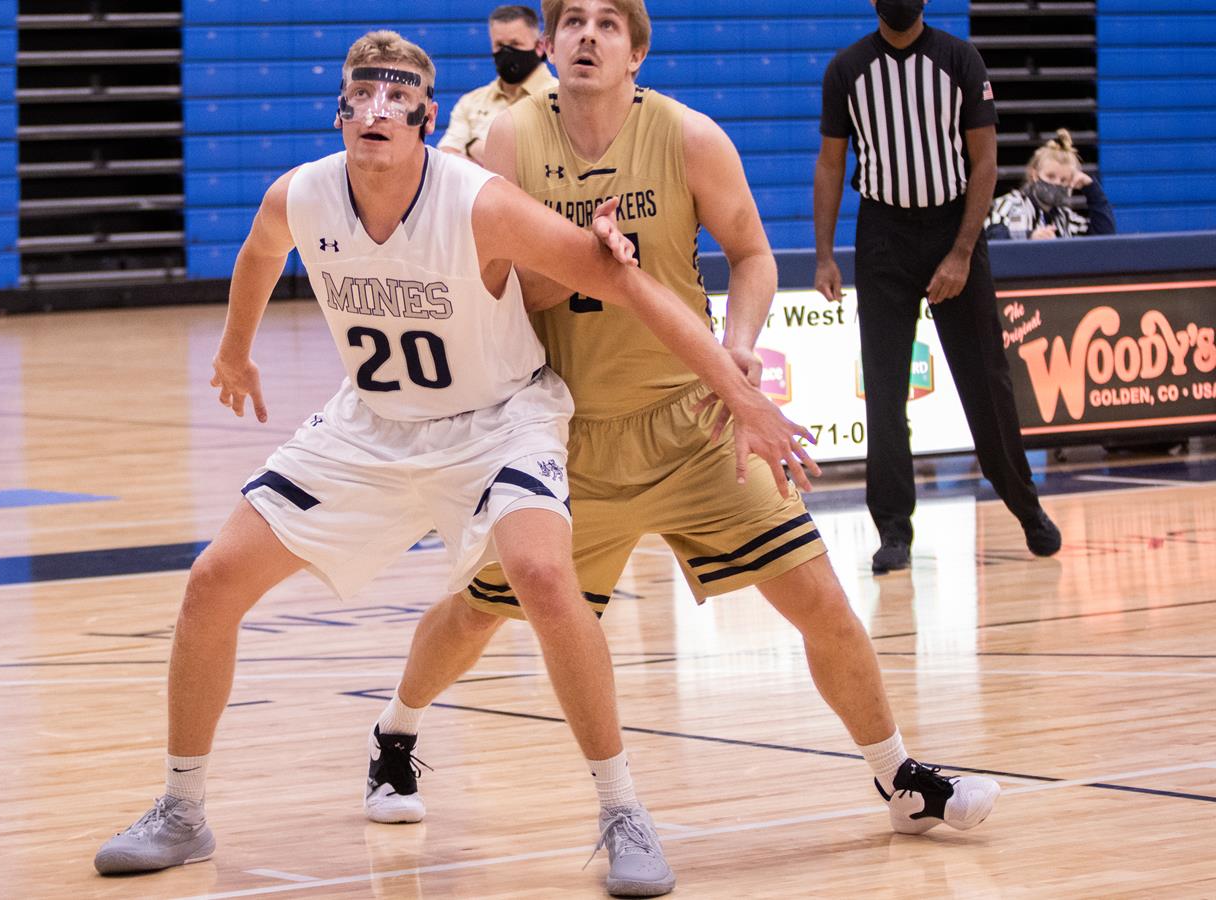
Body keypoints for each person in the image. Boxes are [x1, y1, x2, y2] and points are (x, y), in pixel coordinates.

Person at [91, 30, 817, 898]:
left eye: (397, 98)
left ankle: (622, 809)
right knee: (213, 580)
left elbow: (625, 284)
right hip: (372, 426)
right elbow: (257, 253)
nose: (377, 111)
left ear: (427, 119)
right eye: (362, 96)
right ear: (339, 111)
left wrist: (741, 394)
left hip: (500, 421)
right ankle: (182, 809)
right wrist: (233, 351)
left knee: (542, 576)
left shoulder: (480, 204)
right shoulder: (302, 194)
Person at [359, 0, 1003, 859]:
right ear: (549, 44)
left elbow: (752, 255)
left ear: (637, 52)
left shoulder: (689, 136)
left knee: (821, 600)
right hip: (565, 438)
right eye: (573, 21)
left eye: (608, 24)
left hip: (694, 422)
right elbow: (483, 278)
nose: (588, 35)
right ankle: (395, 734)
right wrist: (578, 266)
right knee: (478, 612)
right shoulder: (510, 140)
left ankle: (901, 781)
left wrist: (739, 349)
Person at [814, 0, 1062, 574]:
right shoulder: (847, 69)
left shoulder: (960, 59)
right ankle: (893, 529)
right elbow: (830, 164)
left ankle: (1026, 508)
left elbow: (985, 162)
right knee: (884, 387)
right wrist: (824, 255)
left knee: (986, 382)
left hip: (954, 227)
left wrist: (962, 252)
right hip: (882, 233)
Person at [437, 5, 557, 163]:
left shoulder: (559, 98)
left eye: (515, 44)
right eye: (499, 45)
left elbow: (545, 163)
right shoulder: (471, 102)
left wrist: (472, 147)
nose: (506, 53)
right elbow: (445, 158)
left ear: (539, 47)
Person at [985, 128, 1116, 241]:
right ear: (1034, 175)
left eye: (1063, 180)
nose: (1056, 183)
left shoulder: (1064, 217)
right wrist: (1029, 236)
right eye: (1050, 176)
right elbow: (991, 235)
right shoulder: (1009, 204)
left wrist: (1092, 189)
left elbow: (1104, 237)